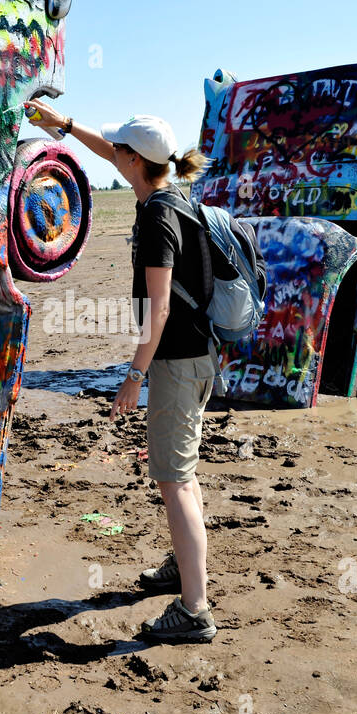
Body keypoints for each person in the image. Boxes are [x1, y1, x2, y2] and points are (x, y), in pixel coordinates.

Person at [24, 100, 217, 644]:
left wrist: (134, 375)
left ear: (136, 161)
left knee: (172, 479)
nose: (114, 158)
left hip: (176, 363)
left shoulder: (158, 218)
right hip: (199, 358)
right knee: (183, 470)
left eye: (120, 154)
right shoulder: (174, 196)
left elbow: (159, 309)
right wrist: (61, 126)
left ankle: (195, 608)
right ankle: (184, 570)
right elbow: (108, 149)